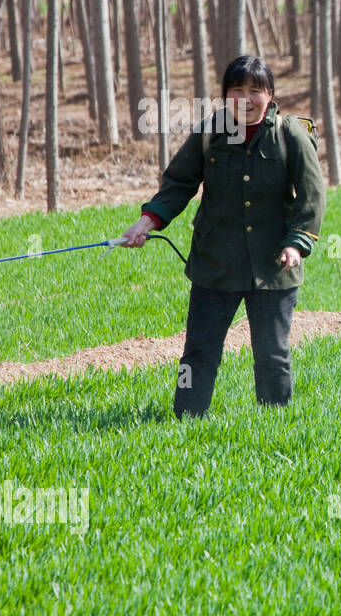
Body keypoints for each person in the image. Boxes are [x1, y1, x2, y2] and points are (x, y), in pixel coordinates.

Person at [121, 55, 327, 419]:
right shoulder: (209, 132)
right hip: (215, 263)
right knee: (198, 350)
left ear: (270, 94)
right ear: (224, 95)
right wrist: (147, 222)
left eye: (255, 91)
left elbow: (312, 196)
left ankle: (275, 421)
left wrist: (297, 242)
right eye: (236, 90)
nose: (245, 99)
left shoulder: (290, 133)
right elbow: (178, 183)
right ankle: (186, 418)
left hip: (273, 265)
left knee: (272, 352)